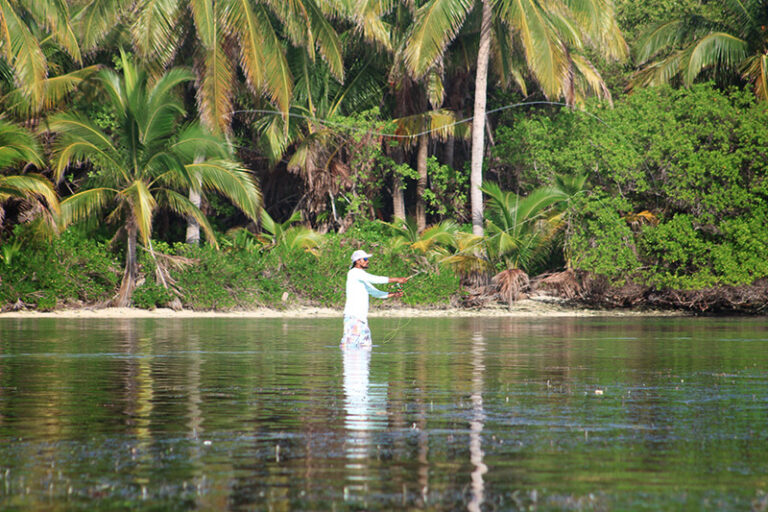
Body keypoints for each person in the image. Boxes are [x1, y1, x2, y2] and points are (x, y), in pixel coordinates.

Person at [340, 249, 408, 349]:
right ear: (358, 261)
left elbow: (374, 292)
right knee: (350, 347)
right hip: (353, 318)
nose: (368, 261)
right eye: (365, 259)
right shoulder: (354, 273)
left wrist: (393, 294)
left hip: (362, 319)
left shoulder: (361, 277)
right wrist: (397, 279)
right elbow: (375, 279)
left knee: (366, 347)